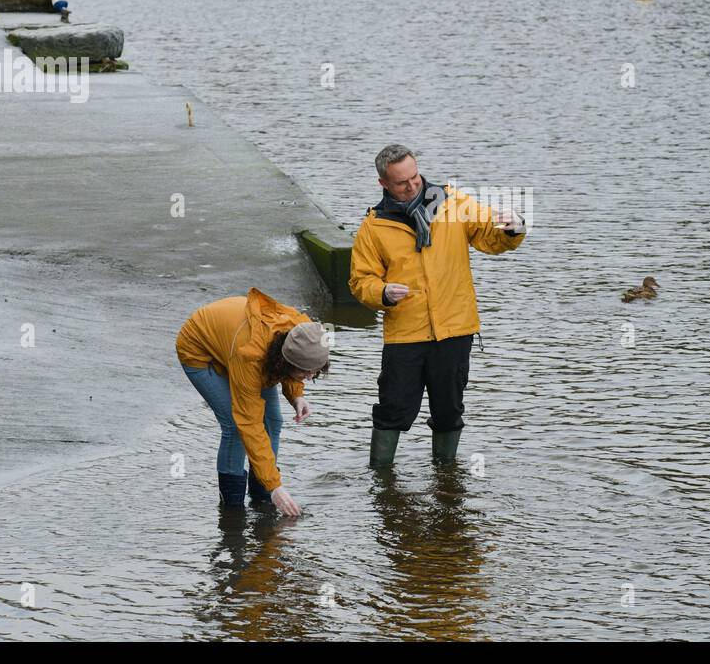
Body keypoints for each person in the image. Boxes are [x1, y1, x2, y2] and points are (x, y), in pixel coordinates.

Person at [349, 144, 526, 467]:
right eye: (402, 182)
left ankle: (446, 477)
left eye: (415, 177)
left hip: (455, 329)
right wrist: (384, 292)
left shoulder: (453, 202)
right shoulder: (373, 228)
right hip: (405, 335)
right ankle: (381, 476)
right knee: (393, 409)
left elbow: (492, 237)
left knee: (448, 411)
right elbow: (361, 282)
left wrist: (514, 227)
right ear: (383, 184)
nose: (413, 185)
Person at [176, 288, 329, 517]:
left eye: (315, 372)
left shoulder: (305, 332)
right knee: (236, 427)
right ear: (285, 363)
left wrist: (296, 394)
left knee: (274, 421)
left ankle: (262, 494)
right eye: (305, 373)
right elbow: (250, 423)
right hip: (200, 348)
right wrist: (276, 486)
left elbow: (294, 365)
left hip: (239, 340)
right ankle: (232, 507)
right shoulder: (250, 357)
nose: (310, 377)